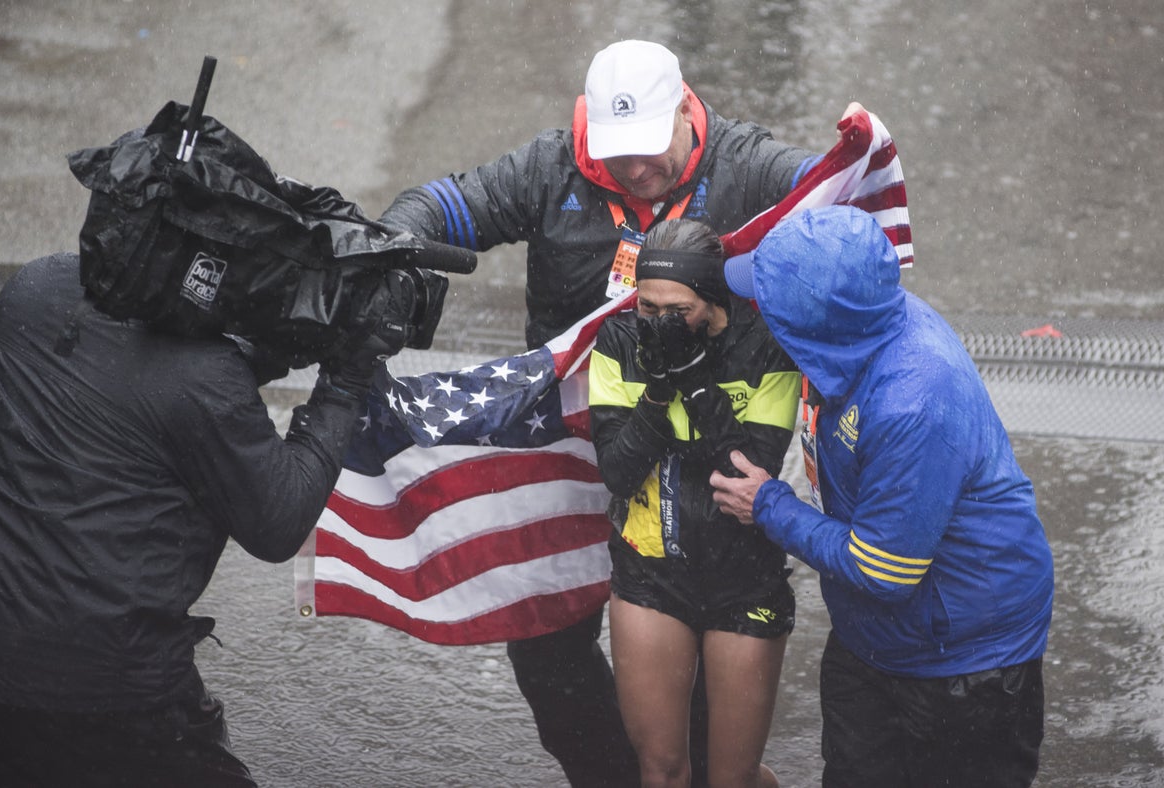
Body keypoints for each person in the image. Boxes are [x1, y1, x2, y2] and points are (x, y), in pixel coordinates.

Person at [380, 38, 863, 786]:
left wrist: (856, 166)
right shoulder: (552, 165)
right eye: (616, 153)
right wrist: (389, 246)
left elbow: (835, 201)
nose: (635, 170)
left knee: (701, 695)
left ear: (686, 109)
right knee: (542, 642)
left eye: (647, 151)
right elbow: (449, 205)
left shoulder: (746, 163)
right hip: (574, 444)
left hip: (703, 447)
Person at [0, 130, 432, 784]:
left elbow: (137, 392)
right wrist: (345, 378)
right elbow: (277, 525)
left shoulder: (30, 293)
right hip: (115, 695)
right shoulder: (205, 380)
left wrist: (271, 350)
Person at [711, 204, 1055, 788]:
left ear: (814, 324)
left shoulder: (913, 399)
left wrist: (768, 505)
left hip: (967, 665)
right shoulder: (863, 324)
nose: (759, 314)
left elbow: (885, 569)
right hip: (872, 642)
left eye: (772, 307)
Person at [588, 219, 799, 788]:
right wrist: (659, 393)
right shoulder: (618, 342)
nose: (659, 322)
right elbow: (617, 471)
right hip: (650, 572)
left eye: (676, 309)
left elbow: (748, 476)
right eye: (648, 306)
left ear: (711, 299)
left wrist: (697, 381)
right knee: (661, 769)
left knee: (734, 777)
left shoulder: (764, 347)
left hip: (745, 577)